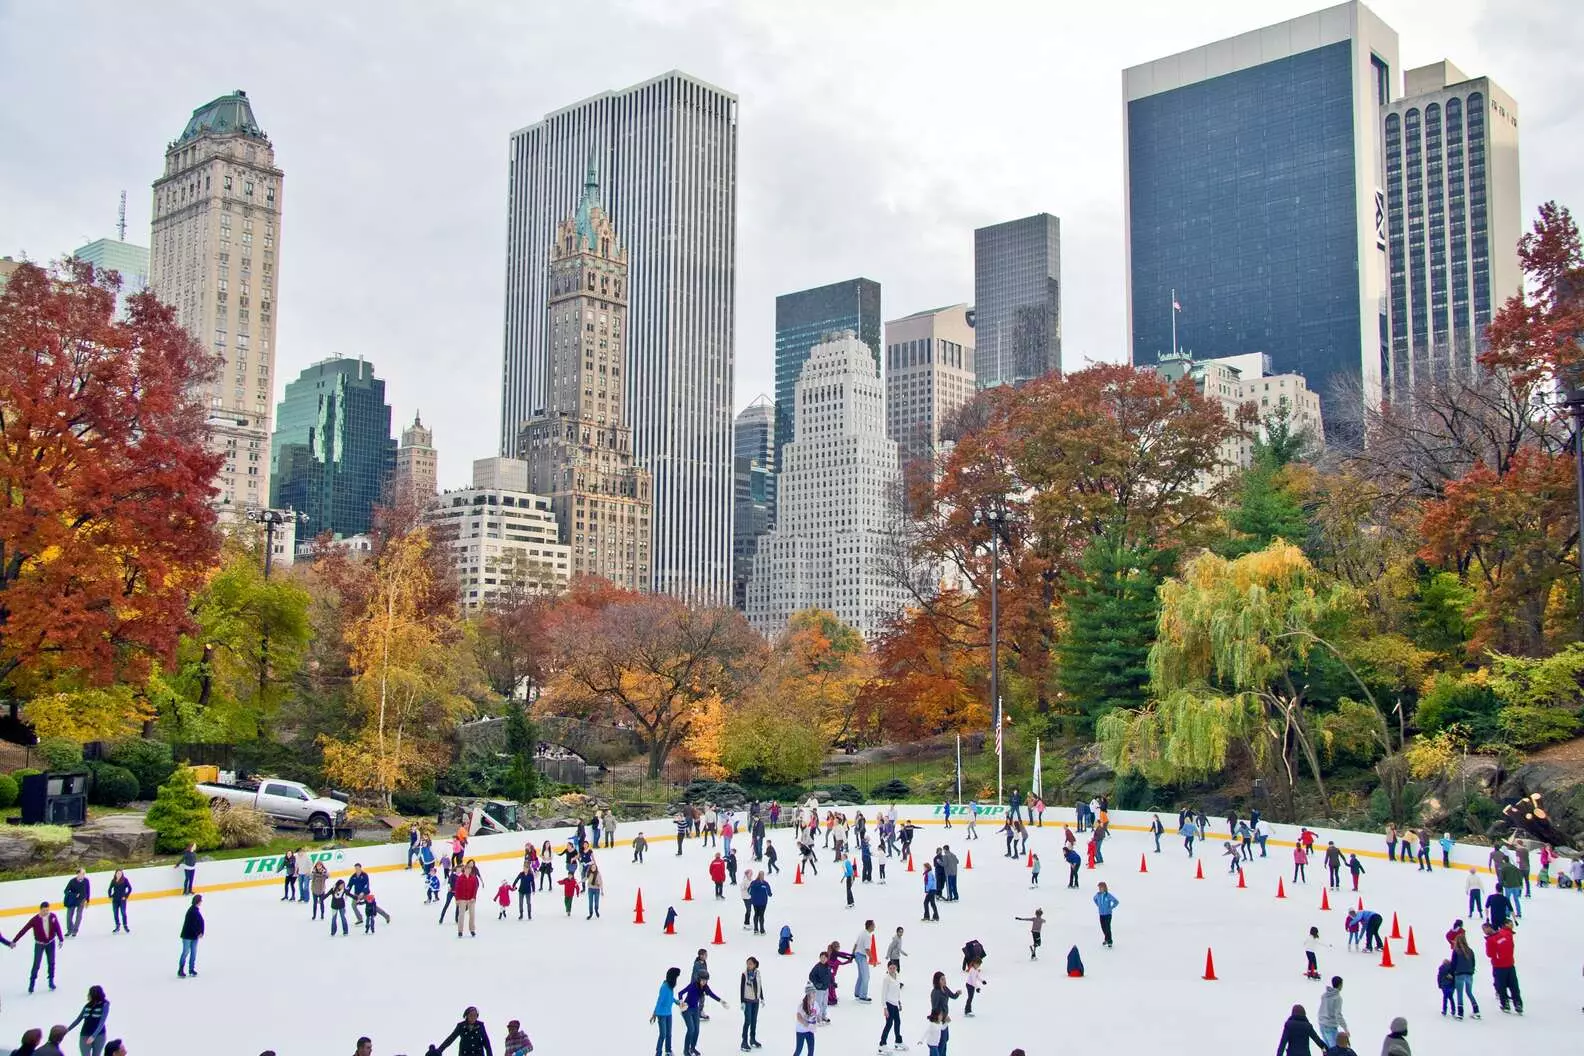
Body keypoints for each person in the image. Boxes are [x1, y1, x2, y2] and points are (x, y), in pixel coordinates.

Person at [12, 901, 63, 992]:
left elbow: (57, 927)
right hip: (39, 944)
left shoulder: (52, 917)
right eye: (44, 910)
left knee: (51, 962)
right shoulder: (35, 920)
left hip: (51, 943)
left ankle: (51, 981)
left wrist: (61, 938)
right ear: (40, 910)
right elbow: (24, 929)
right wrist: (15, 940)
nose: (46, 912)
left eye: (47, 910)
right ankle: (32, 983)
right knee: (36, 964)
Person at [679, 963, 727, 1056]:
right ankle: (686, 1050)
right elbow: (680, 993)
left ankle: (692, 1048)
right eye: (703, 980)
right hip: (687, 1009)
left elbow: (711, 994)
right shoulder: (692, 985)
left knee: (697, 1030)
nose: (704, 982)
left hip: (695, 1009)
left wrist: (721, 1001)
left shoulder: (705, 987)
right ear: (698, 979)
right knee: (691, 1029)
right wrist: (681, 1003)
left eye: (706, 980)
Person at [1483, 921, 1522, 1014]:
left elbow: (1489, 954)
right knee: (1514, 986)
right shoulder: (1504, 933)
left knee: (1502, 986)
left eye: (1484, 929)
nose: (1484, 931)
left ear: (1488, 928)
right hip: (1509, 964)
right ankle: (1518, 1004)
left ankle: (1505, 1004)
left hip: (1499, 966)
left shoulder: (1490, 940)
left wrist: (1498, 955)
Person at [65, 984, 109, 1056]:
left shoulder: (104, 1005)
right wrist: (67, 1029)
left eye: (89, 994)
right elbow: (78, 1019)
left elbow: (102, 1022)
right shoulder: (87, 1006)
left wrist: (93, 1036)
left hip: (99, 1035)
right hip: (85, 1034)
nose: (87, 995)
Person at [928, 972, 959, 1056]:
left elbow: (952, 995)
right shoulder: (935, 992)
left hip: (944, 1019)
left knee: (945, 1039)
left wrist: (957, 994)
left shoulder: (945, 988)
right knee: (940, 1042)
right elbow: (935, 1008)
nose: (944, 981)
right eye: (942, 979)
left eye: (944, 979)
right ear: (937, 981)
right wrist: (942, 1017)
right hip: (938, 1020)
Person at [1450, 933, 1480, 1019]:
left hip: (1459, 974)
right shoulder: (1470, 951)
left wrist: (1452, 973)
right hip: (1469, 974)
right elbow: (1473, 963)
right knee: (1469, 992)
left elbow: (1453, 964)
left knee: (1459, 994)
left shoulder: (1456, 951)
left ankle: (1460, 1013)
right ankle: (1476, 1010)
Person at [653, 967, 681, 1056]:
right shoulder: (664, 987)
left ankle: (668, 1051)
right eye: (676, 977)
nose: (676, 979)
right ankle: (658, 1053)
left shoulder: (670, 986)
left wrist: (676, 1002)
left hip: (669, 1013)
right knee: (663, 1035)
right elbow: (659, 1000)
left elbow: (670, 997)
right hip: (661, 1014)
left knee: (669, 1034)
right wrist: (654, 1013)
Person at [739, 956, 764, 1051]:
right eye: (747, 964)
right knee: (748, 1020)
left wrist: (762, 997)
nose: (748, 965)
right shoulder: (744, 974)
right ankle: (744, 1041)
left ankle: (752, 1039)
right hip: (747, 1000)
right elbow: (741, 988)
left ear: (755, 964)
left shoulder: (757, 973)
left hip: (755, 1001)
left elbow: (760, 985)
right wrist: (742, 1002)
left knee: (754, 1021)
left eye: (750, 964)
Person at [177, 894, 203, 978]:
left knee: (193, 952)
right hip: (187, 936)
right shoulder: (192, 911)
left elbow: (201, 922)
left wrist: (201, 932)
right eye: (200, 900)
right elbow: (191, 925)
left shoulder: (196, 910)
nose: (201, 902)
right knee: (186, 952)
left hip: (194, 936)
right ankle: (181, 969)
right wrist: (198, 933)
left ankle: (191, 969)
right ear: (198, 901)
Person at [61, 869, 90, 939]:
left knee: (79, 915)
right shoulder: (72, 881)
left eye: (84, 874)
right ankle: (69, 930)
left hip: (82, 900)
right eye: (82, 873)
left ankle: (75, 931)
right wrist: (74, 895)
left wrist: (87, 901)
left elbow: (88, 890)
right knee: (69, 915)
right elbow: (66, 891)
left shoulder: (86, 881)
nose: (83, 875)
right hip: (73, 900)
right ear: (78, 873)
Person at [1317, 977, 1346, 1046]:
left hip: (1322, 1025)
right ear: (1339, 985)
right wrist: (1345, 1028)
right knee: (1335, 1050)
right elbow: (1338, 1015)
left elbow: (1321, 1009)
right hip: (1330, 1026)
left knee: (1328, 1049)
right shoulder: (1337, 998)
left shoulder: (1324, 995)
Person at [794, 988, 818, 1056]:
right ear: (808, 994)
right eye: (813, 993)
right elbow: (798, 1017)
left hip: (810, 1030)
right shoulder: (802, 1005)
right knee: (799, 1050)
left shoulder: (815, 1004)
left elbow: (817, 1014)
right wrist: (805, 1023)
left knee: (811, 1050)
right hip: (801, 1031)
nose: (815, 994)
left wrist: (818, 1020)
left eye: (815, 993)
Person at [107, 870, 131, 934]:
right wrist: (110, 896)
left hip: (122, 900)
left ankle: (125, 926)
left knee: (123, 913)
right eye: (118, 873)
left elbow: (130, 888)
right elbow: (109, 888)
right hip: (115, 900)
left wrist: (126, 896)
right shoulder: (113, 880)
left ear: (122, 874)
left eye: (120, 873)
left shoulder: (125, 880)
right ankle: (117, 926)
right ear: (115, 874)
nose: (119, 874)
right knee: (115, 913)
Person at [1093, 882, 1118, 948]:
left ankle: (1110, 941)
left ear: (1104, 888)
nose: (1100, 889)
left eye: (1101, 887)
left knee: (1107, 927)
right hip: (1101, 914)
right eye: (1099, 888)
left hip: (1108, 914)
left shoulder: (1108, 895)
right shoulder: (1098, 895)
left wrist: (1111, 907)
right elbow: (1094, 899)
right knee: (1103, 927)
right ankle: (1106, 939)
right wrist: (1098, 905)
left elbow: (1116, 901)